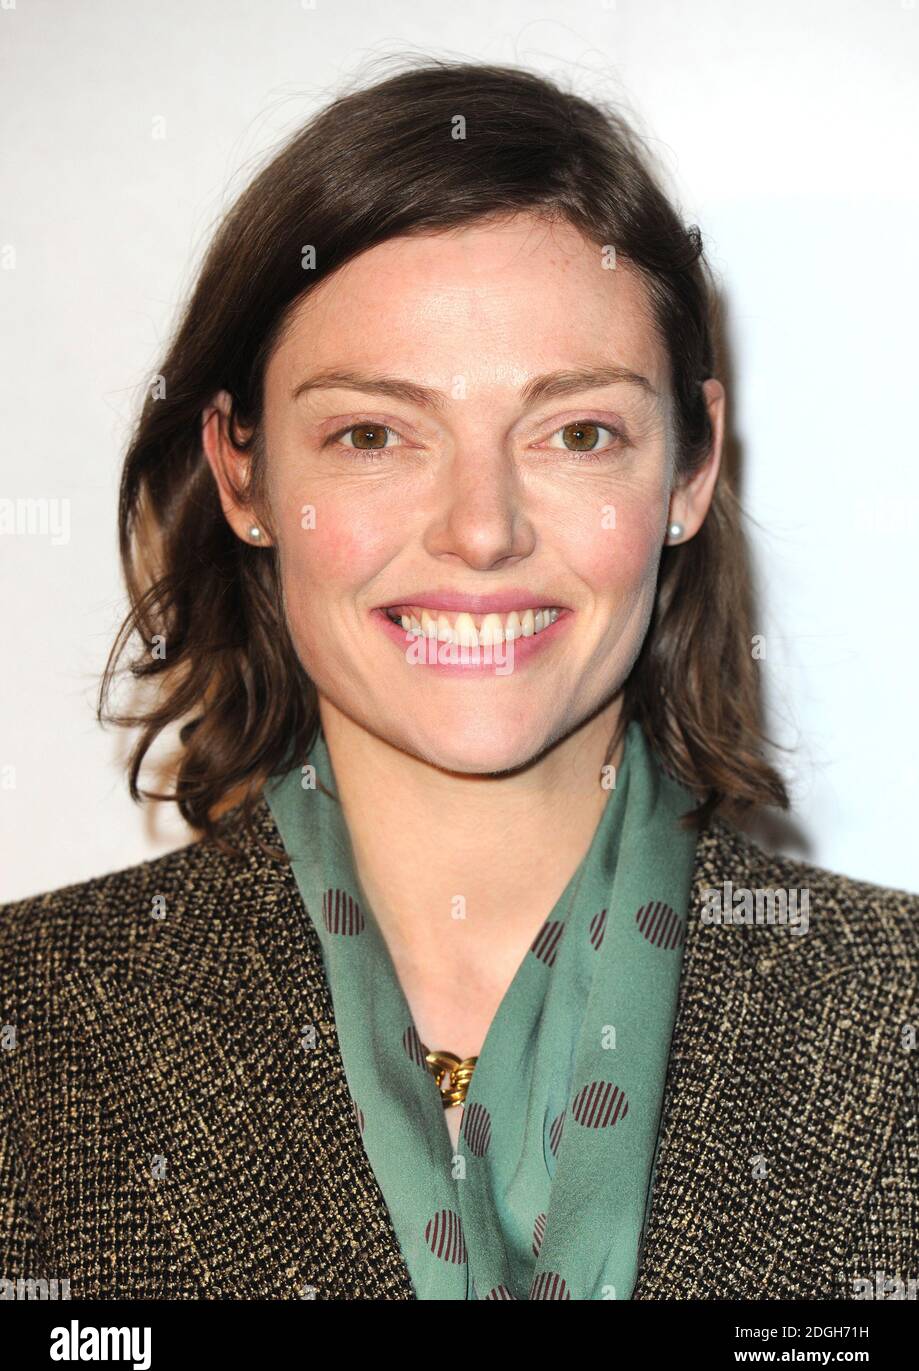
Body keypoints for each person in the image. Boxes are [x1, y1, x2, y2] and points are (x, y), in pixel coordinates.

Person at [1, 59, 916, 1302]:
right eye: (372, 433)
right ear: (242, 475)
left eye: (576, 431)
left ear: (689, 470)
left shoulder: (893, 1016)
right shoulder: (32, 1027)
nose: (480, 530)